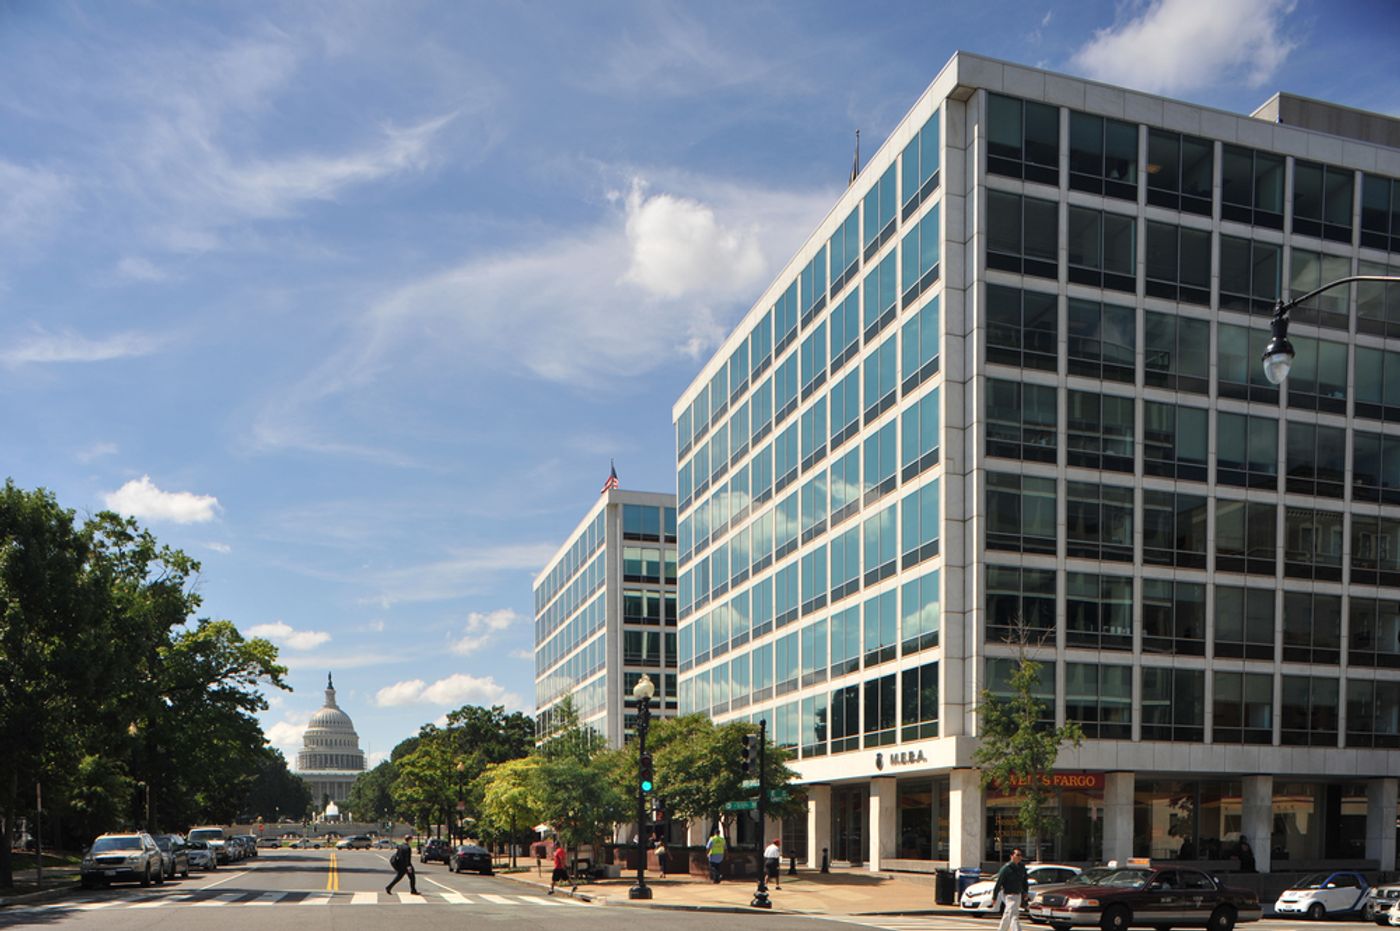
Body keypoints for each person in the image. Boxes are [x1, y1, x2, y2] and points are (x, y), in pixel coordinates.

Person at [991, 847, 1028, 931]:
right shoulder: (1006, 869)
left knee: (1008, 914)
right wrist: (994, 897)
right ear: (1012, 856)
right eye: (1017, 855)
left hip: (1018, 895)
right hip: (1009, 895)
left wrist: (1025, 892)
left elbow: (1024, 881)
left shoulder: (1022, 867)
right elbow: (998, 883)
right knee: (1014, 916)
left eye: (1021, 855)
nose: (1020, 857)